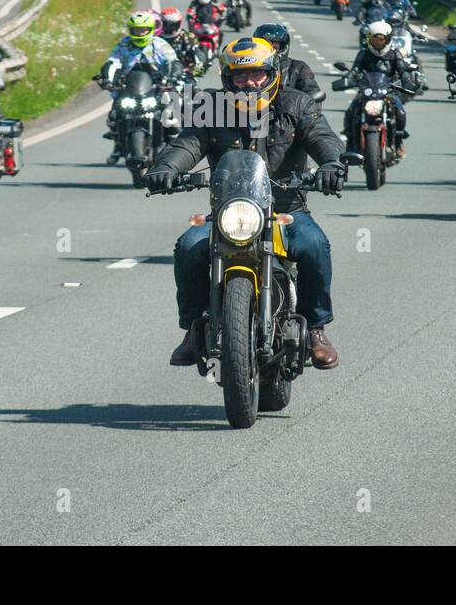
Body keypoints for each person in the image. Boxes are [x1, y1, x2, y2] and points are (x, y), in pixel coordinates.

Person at [144, 37, 346, 370]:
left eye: (256, 74)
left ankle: (316, 329)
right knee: (189, 245)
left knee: (315, 245)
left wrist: (332, 166)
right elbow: (188, 144)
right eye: (240, 76)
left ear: (272, 74)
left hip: (286, 212)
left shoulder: (298, 104)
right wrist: (166, 168)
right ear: (227, 78)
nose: (249, 82)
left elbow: (323, 139)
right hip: (229, 212)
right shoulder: (211, 107)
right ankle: (194, 329)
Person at [99, 11, 182, 161]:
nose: (140, 33)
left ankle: (173, 149)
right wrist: (107, 79)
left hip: (156, 86)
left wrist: (173, 77)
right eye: (137, 30)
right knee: (113, 116)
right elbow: (112, 62)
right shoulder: (124, 44)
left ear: (151, 29)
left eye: (144, 29)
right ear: (131, 30)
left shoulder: (160, 44)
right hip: (129, 87)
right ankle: (118, 146)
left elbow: (173, 61)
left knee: (172, 118)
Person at [342, 20, 414, 158]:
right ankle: (351, 142)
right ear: (369, 39)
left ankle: (398, 143)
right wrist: (348, 79)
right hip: (367, 91)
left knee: (400, 111)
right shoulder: (364, 54)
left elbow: (403, 70)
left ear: (388, 40)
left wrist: (406, 81)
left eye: (381, 40)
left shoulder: (394, 54)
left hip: (388, 92)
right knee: (352, 109)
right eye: (375, 39)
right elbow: (355, 70)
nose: (378, 43)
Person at [254, 22, 322, 99]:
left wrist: (308, 104)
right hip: (251, 108)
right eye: (265, 47)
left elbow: (312, 93)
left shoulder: (298, 68)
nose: (270, 51)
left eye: (274, 48)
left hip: (288, 110)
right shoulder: (247, 67)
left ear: (282, 47)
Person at [158, 6, 202, 75]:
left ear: (179, 24)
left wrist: (198, 65)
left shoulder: (188, 36)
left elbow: (198, 52)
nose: (169, 28)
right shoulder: (155, 37)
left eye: (173, 25)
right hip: (159, 73)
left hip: (183, 74)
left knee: (189, 84)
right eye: (166, 24)